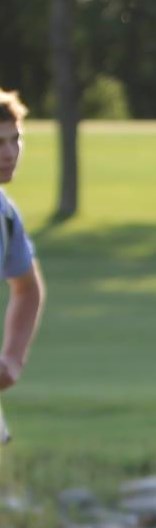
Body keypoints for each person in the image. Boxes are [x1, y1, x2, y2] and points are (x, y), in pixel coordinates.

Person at [0, 89, 45, 446]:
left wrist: (12, 360)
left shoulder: (5, 214)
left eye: (15, 140)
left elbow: (28, 289)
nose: (9, 153)